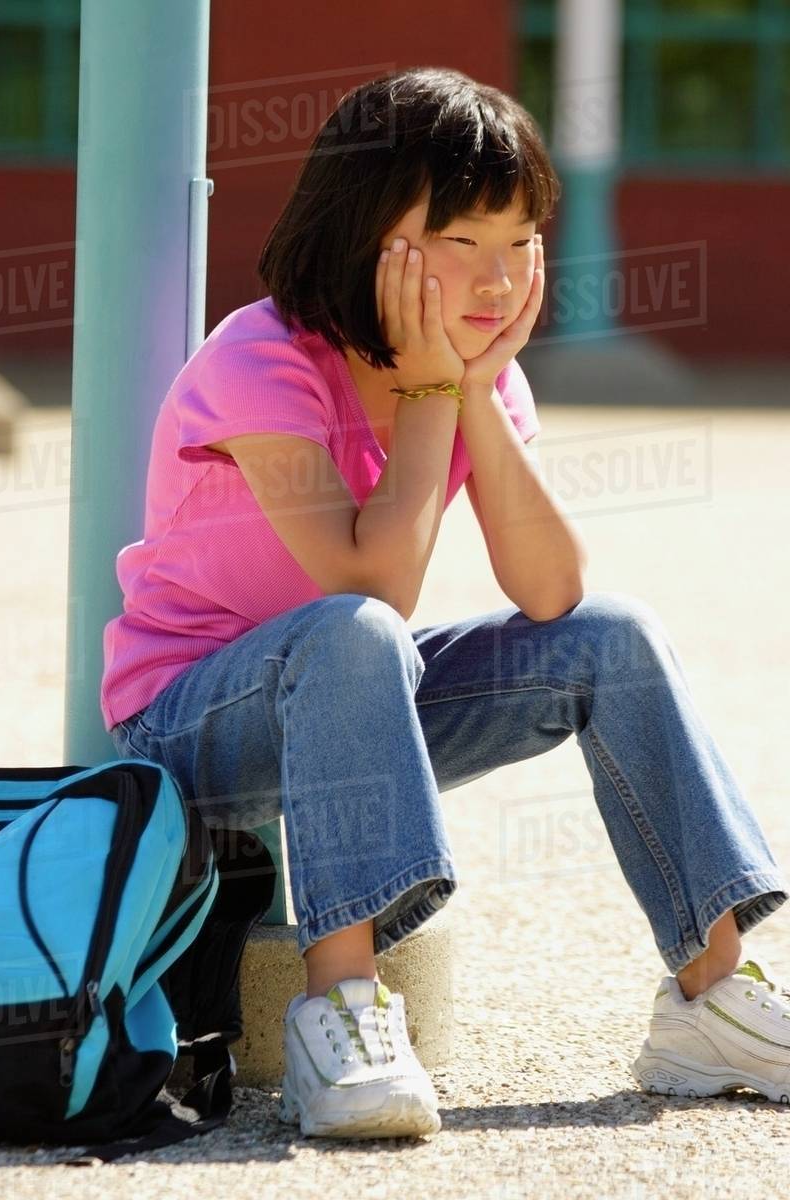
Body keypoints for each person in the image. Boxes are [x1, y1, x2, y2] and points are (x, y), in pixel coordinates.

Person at [102, 66, 790, 1141]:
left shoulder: (475, 370)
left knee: (610, 637)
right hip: (190, 723)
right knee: (356, 630)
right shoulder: (259, 359)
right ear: (364, 229)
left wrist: (469, 388)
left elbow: (551, 591)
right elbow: (367, 584)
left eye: (520, 241)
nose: (496, 276)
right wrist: (431, 391)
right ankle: (343, 1010)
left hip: (357, 691)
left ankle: (712, 997)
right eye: (461, 239)